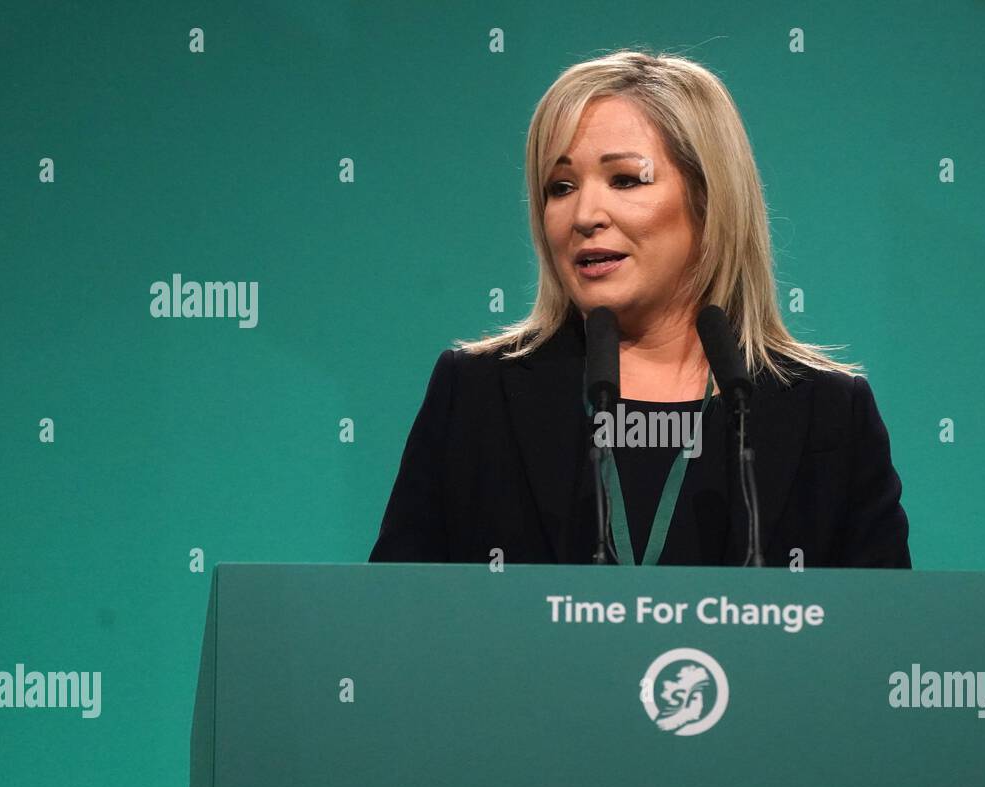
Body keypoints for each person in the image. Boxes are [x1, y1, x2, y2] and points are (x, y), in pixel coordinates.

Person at [369, 49, 910, 568]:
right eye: (560, 186)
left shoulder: (829, 413)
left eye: (625, 179)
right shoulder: (475, 394)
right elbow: (395, 624)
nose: (584, 214)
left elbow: (879, 642)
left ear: (708, 199)